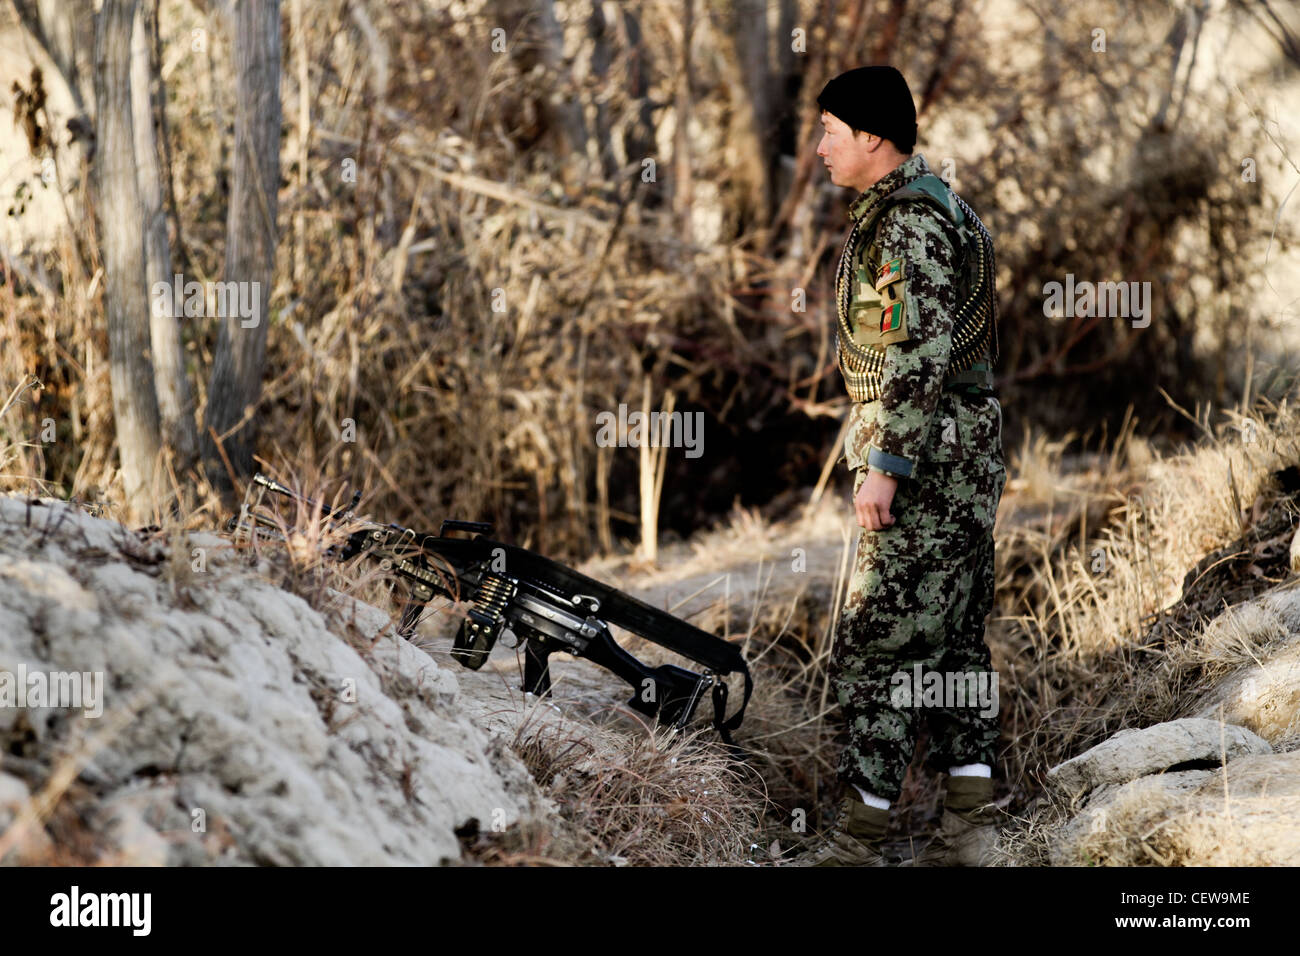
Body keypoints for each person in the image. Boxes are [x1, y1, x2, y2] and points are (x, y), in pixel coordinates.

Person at [797, 65, 1006, 867]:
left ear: (874, 136)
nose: (820, 147)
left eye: (831, 131)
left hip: (927, 456)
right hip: (959, 452)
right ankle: (969, 829)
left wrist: (886, 462)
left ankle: (857, 841)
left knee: (883, 638)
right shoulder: (924, 205)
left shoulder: (910, 223)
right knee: (952, 644)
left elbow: (916, 352)